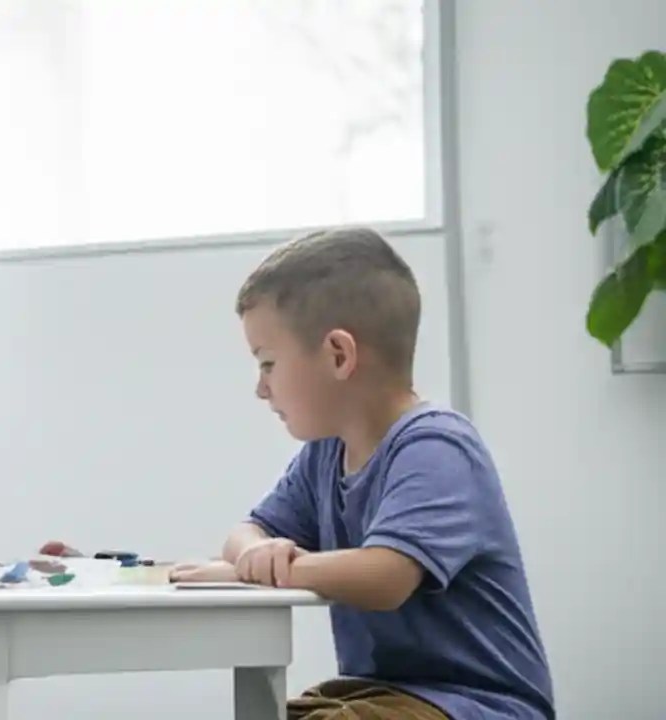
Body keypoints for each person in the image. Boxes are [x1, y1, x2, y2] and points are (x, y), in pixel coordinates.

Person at [170, 227, 554, 719]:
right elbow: (248, 532)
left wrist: (270, 571)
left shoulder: (437, 446)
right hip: (372, 694)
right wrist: (252, 557)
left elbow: (386, 575)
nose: (260, 389)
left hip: (475, 704)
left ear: (338, 355)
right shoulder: (323, 456)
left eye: (268, 364)